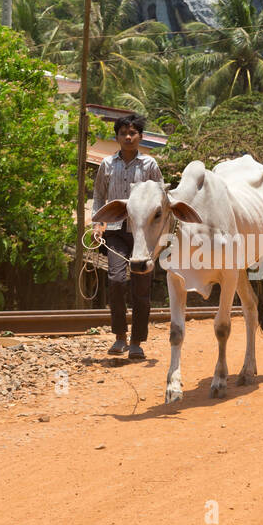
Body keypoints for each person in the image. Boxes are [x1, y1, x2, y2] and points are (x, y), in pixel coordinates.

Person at [92, 114, 164, 359]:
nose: (128, 137)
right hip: (114, 232)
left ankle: (137, 342)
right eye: (123, 133)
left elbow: (160, 200)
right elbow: (99, 197)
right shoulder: (107, 165)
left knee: (141, 289)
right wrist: (97, 224)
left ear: (140, 137)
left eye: (133, 133)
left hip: (142, 235)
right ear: (117, 137)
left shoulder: (150, 165)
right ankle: (120, 337)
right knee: (116, 281)